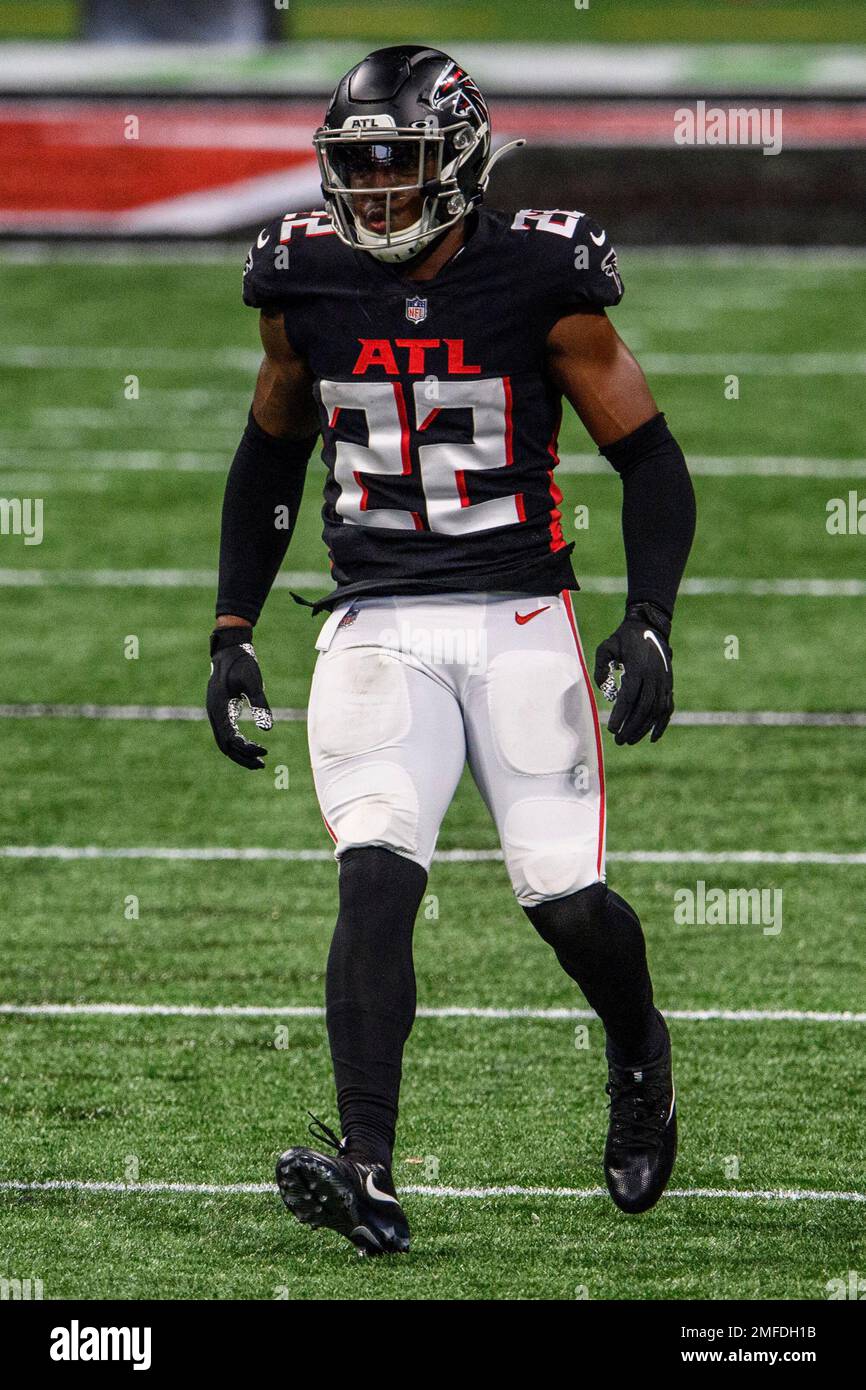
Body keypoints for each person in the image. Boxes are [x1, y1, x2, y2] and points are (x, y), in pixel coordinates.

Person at [207, 45, 696, 1256]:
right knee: (375, 872)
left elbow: (649, 457)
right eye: (355, 167)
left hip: (519, 614)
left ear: (459, 160)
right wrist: (228, 629)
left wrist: (648, 617)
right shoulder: (304, 281)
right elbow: (269, 452)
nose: (369, 193)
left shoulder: (539, 275)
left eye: (395, 165)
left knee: (564, 901)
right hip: (374, 618)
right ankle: (366, 1166)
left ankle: (637, 1051)